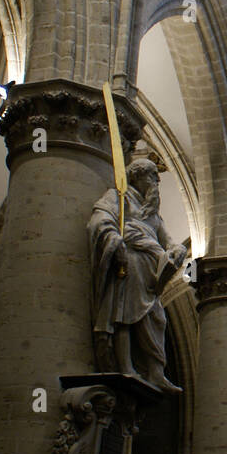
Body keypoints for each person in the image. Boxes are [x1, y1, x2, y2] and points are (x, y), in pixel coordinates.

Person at [88, 158, 186, 393]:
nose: (157, 180)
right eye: (152, 175)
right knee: (125, 315)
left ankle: (155, 372)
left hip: (151, 271)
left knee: (156, 318)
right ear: (137, 176)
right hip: (129, 261)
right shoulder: (119, 197)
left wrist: (178, 249)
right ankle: (125, 366)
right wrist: (113, 240)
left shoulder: (153, 212)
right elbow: (100, 220)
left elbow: (168, 240)